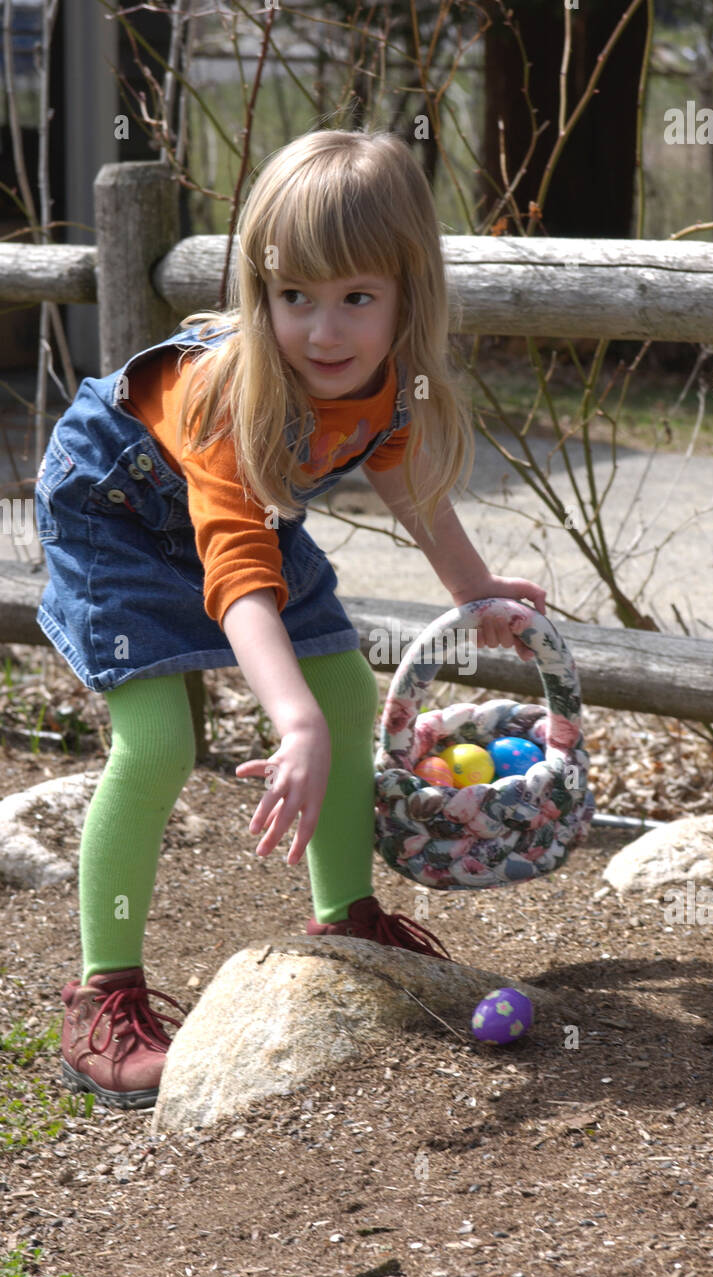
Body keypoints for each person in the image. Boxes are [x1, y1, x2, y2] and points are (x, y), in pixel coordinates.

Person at [34, 126, 546, 1110]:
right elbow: (236, 573)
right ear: (258, 293)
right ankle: (104, 996)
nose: (322, 332)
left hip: (244, 510)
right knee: (157, 742)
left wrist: (474, 591)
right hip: (118, 506)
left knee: (349, 692)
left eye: (356, 298)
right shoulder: (230, 395)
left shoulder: (386, 382)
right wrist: (290, 722)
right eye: (292, 297)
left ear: (405, 298)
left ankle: (344, 915)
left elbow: (410, 492)